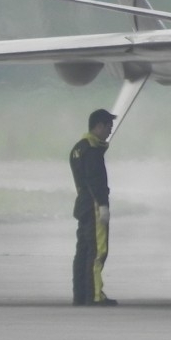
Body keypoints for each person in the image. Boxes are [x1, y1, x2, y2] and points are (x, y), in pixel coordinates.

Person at [70, 108, 118, 307]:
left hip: (82, 204)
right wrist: (103, 205)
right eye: (108, 127)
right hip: (94, 206)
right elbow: (95, 181)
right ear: (99, 126)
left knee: (83, 251)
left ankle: (80, 295)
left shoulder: (78, 148)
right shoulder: (92, 150)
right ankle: (95, 295)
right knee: (98, 252)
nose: (109, 132)